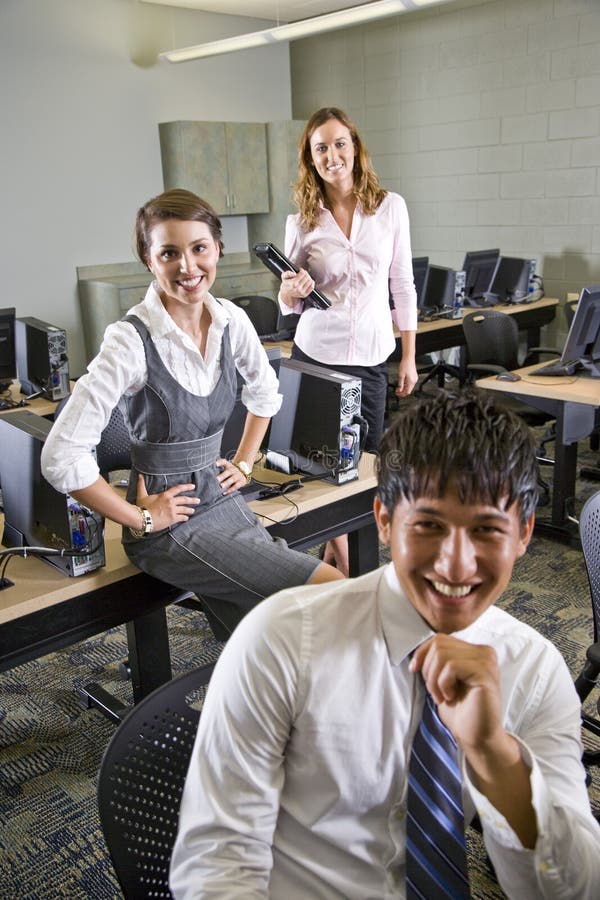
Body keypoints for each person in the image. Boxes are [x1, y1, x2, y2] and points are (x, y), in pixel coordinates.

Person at [170, 388, 600, 899]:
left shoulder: (533, 669)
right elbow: (214, 869)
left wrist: (495, 755)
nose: (456, 565)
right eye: (428, 526)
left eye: (487, 530)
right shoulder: (283, 639)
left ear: (525, 533)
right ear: (384, 521)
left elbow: (578, 889)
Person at [41, 189, 342, 637]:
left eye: (199, 248)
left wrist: (243, 461)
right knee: (331, 590)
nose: (188, 266)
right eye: (169, 253)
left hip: (220, 497)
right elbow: (61, 456)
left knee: (270, 632)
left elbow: (265, 392)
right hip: (169, 523)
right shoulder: (129, 340)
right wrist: (141, 519)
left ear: (217, 248)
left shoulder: (231, 320)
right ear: (149, 259)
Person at [278, 106, 418, 574]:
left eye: (340, 143)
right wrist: (289, 290)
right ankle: (337, 549)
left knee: (366, 466)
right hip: (317, 355)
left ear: (355, 147)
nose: (332, 154)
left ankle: (353, 554)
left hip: (373, 355)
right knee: (320, 467)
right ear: (311, 159)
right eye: (321, 148)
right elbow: (288, 293)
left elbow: (403, 284)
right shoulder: (301, 220)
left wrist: (409, 356)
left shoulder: (390, 207)